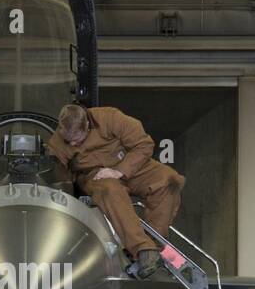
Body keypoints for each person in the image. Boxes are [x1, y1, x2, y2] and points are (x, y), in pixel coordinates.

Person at [46, 103, 185, 279]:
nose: (73, 143)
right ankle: (142, 249)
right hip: (95, 175)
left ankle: (154, 245)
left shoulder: (110, 118)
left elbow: (144, 145)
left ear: (87, 125)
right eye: (69, 141)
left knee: (169, 180)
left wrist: (120, 170)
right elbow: (56, 173)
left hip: (129, 164)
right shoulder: (58, 141)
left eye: (77, 139)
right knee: (110, 190)